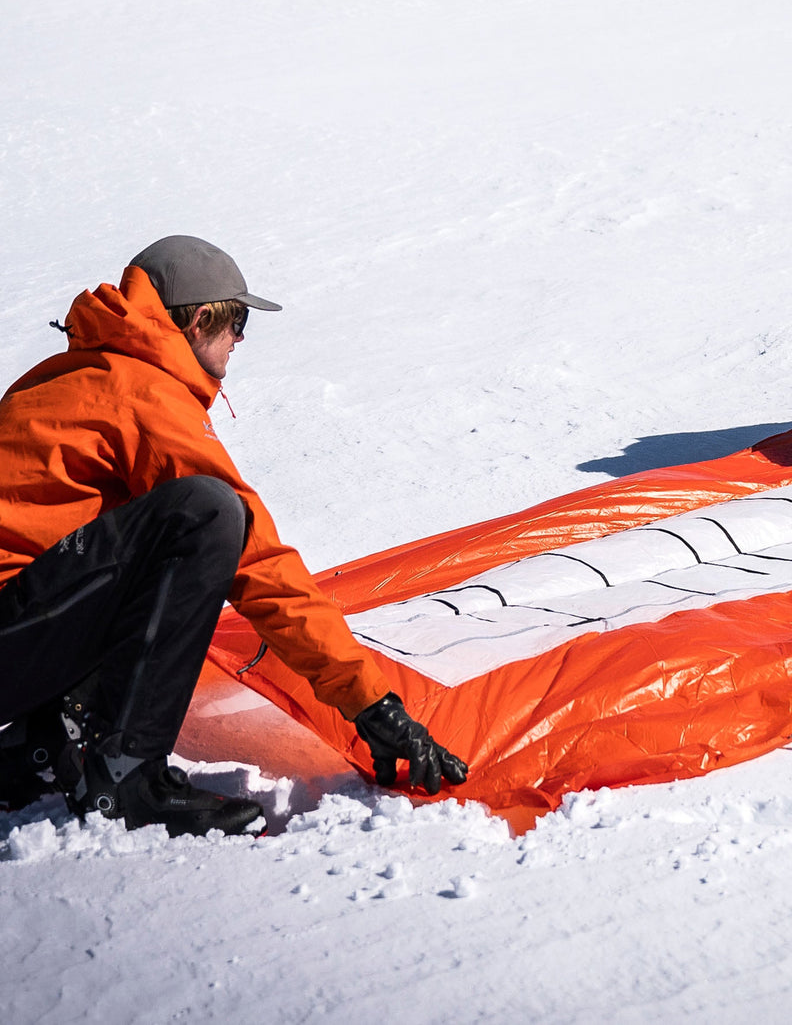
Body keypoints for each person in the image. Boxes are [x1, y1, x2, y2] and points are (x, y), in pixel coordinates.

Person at [0, 236, 467, 836]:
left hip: (18, 629)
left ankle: (40, 752)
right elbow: (256, 560)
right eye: (237, 320)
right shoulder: (141, 392)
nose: (241, 339)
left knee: (142, 546)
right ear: (199, 321)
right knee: (207, 514)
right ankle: (125, 776)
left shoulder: (79, 373)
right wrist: (368, 702)